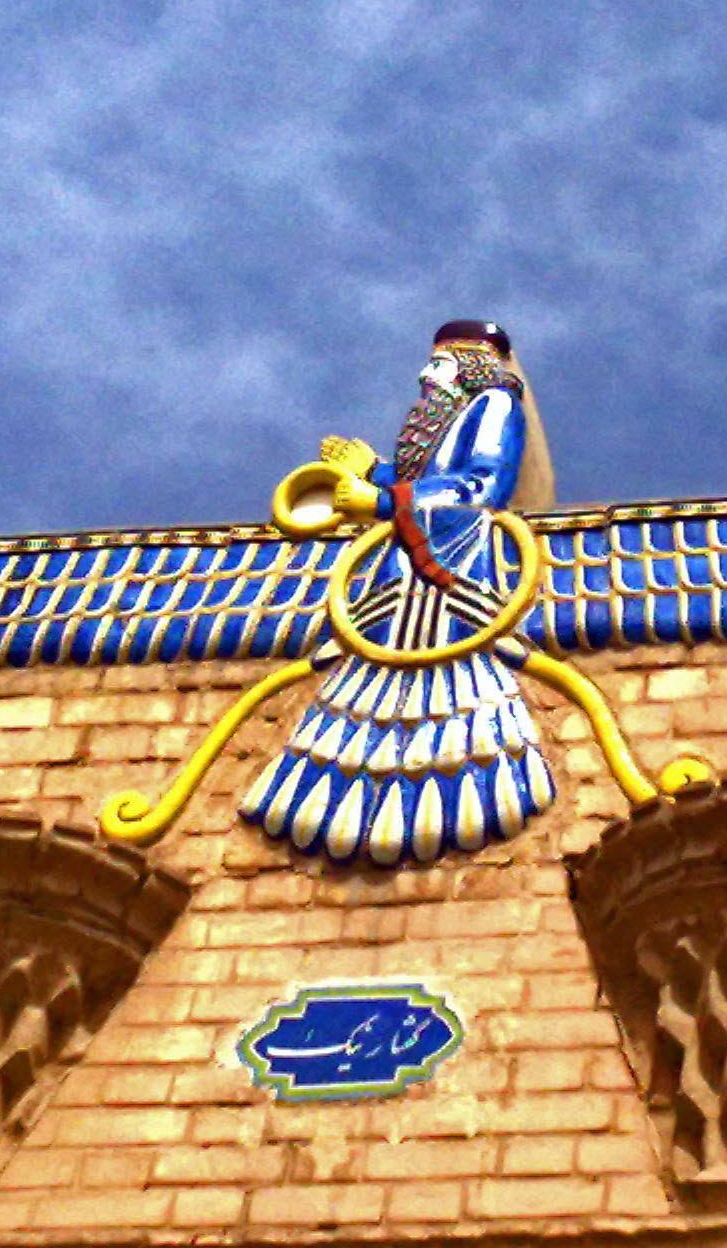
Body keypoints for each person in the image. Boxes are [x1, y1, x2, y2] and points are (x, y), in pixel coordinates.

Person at [238, 321, 557, 865]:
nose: (425, 374)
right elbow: (429, 479)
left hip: (452, 569)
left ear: (470, 366)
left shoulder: (493, 406)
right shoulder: (453, 416)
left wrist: (379, 503)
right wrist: (371, 473)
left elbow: (478, 488)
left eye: (439, 364)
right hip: (399, 580)